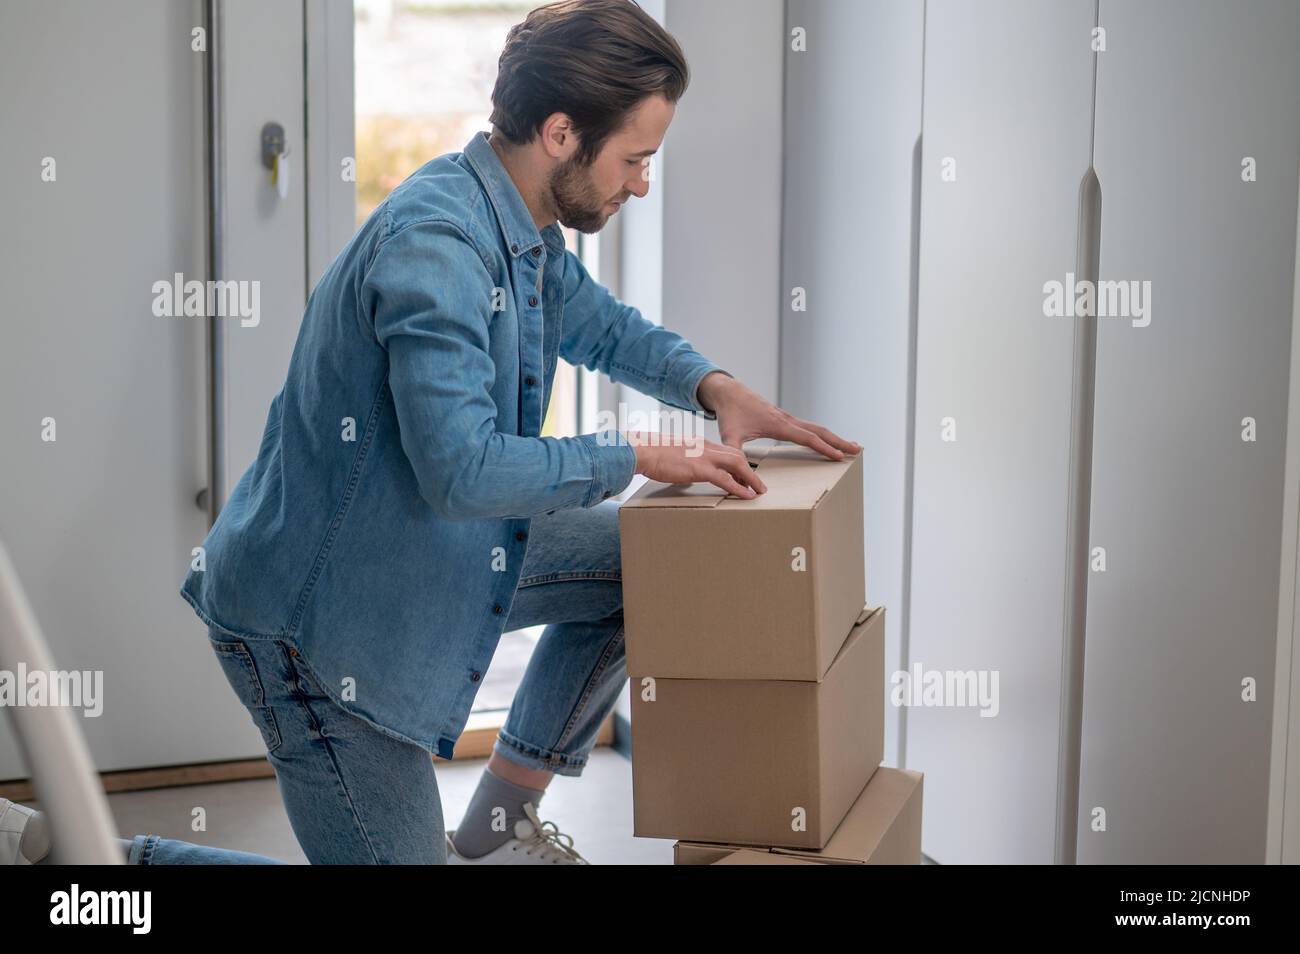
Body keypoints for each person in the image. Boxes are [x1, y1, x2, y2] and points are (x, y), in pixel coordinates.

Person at [3, 0, 859, 866]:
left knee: (650, 569)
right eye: (635, 159)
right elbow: (463, 472)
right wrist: (634, 452)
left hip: (423, 553)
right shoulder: (438, 243)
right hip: (319, 621)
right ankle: (67, 856)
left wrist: (716, 389)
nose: (641, 183)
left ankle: (498, 837)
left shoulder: (517, 219)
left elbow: (598, 323)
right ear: (562, 132)